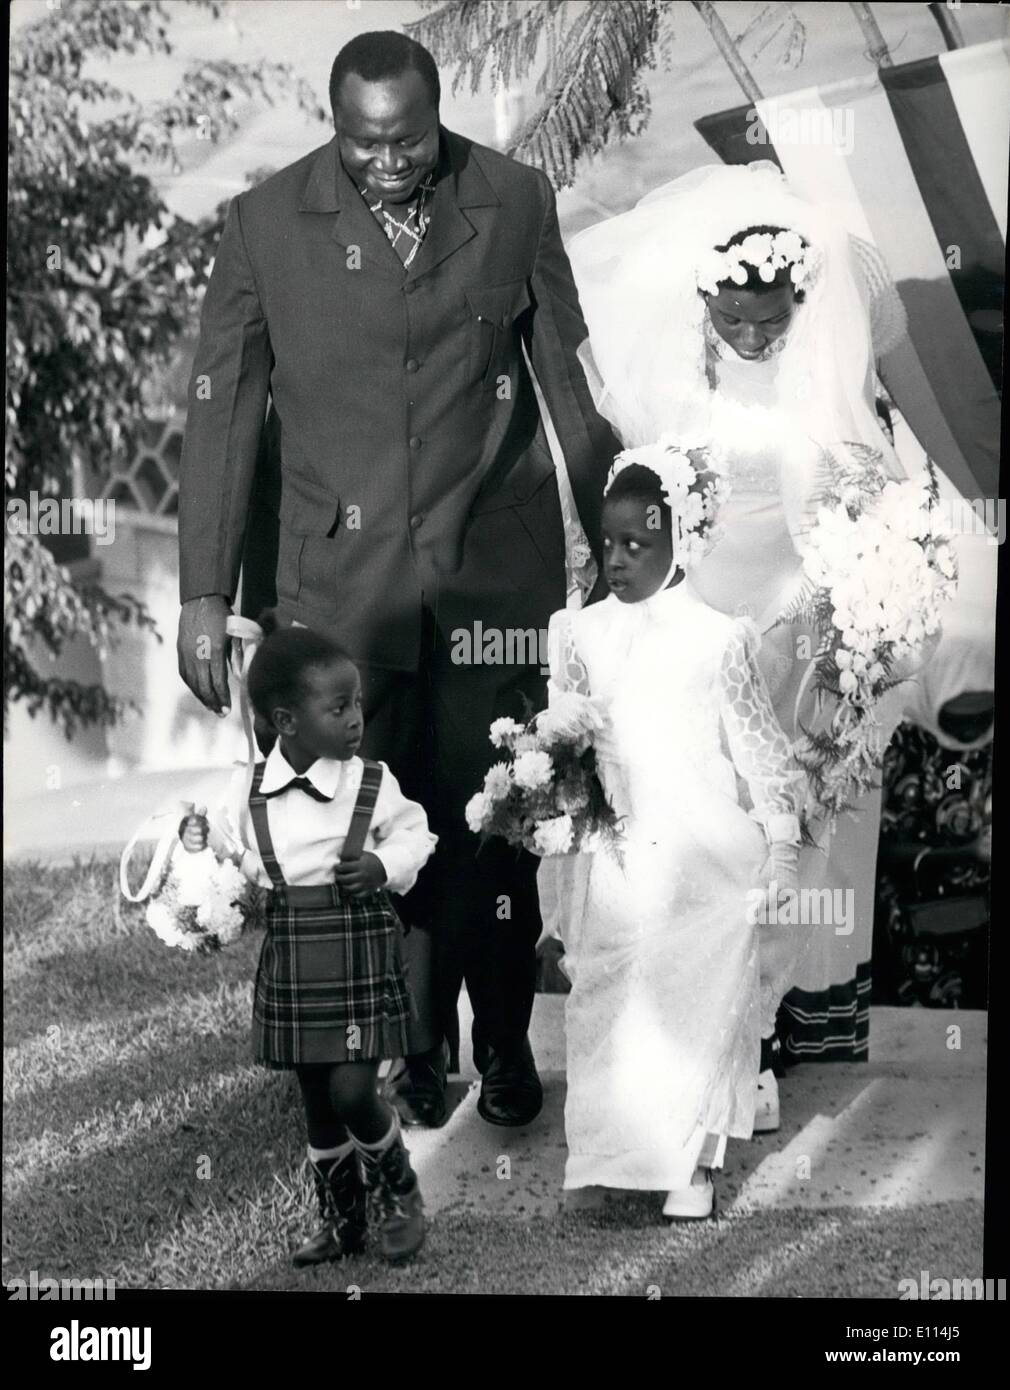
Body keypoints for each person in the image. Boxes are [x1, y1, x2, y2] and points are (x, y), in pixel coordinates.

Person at [176, 30, 620, 1130]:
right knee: (380, 833)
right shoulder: (264, 226)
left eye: (408, 139)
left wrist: (614, 536)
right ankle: (419, 1050)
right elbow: (221, 412)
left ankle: (508, 1039)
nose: (386, 160)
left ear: (438, 114)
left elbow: (565, 370)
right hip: (338, 593)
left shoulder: (511, 198)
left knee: (500, 821)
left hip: (492, 577)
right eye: (363, 141)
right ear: (336, 125)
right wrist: (202, 594)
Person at [567, 161, 984, 1122]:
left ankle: (802, 1011)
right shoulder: (675, 389)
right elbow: (645, 510)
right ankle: (717, 1008)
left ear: (802, 299)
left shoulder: (830, 371)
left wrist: (863, 603)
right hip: (711, 617)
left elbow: (875, 487)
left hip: (817, 610)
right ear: (704, 303)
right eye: (734, 321)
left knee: (815, 812)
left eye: (771, 318)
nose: (753, 337)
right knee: (721, 814)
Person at [545, 448, 804, 1218]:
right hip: (615, 855)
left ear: (680, 543)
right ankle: (602, 1157)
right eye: (609, 543)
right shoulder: (580, 633)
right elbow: (568, 753)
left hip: (703, 856)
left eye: (638, 546)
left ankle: (687, 1164)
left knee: (691, 1007)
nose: (617, 561)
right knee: (604, 1004)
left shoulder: (720, 638)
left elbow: (762, 751)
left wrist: (782, 848)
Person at [198, 611, 437, 1266]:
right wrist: (222, 891)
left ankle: (400, 1191)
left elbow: (418, 835)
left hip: (358, 956)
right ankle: (342, 1220)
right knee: (317, 1101)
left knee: (352, 1091)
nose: (357, 718)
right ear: (286, 722)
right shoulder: (245, 798)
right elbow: (227, 856)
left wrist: (385, 866)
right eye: (340, 707)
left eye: (357, 702)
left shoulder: (371, 782)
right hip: (296, 961)